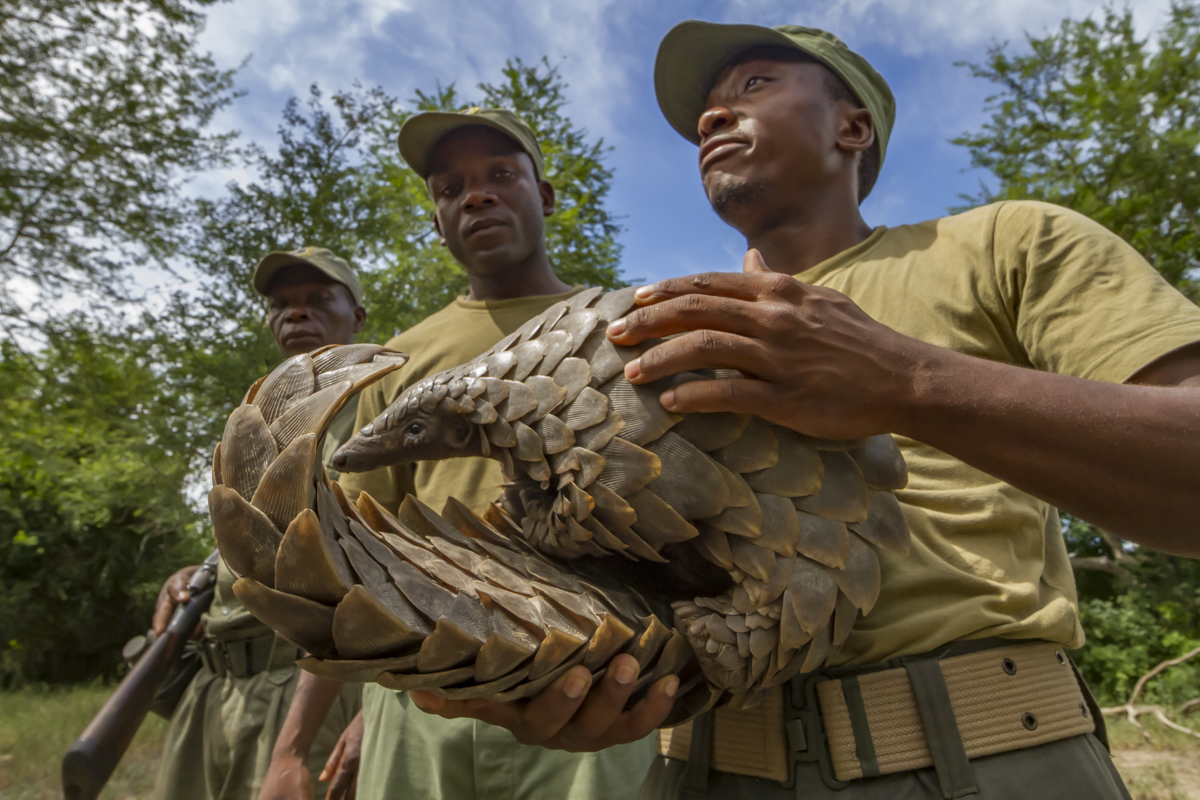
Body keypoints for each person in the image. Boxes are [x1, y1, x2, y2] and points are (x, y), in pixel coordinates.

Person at [407, 22, 1200, 800]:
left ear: (852, 127)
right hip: (697, 767)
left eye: (754, 85)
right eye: (704, 112)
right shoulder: (653, 330)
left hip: (977, 757)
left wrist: (904, 379)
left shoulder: (1002, 244)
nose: (711, 117)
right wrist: (598, 675)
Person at [323, 107, 657, 799]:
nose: (475, 196)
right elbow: (354, 545)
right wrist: (354, 704)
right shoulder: (395, 361)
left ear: (545, 195)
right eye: (450, 188)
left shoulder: (626, 329)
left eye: (501, 175)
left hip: (594, 687)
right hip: (425, 694)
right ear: (437, 222)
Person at [151, 247, 367, 800]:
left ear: (357, 316)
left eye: (317, 298)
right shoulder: (257, 415)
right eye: (280, 303)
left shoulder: (376, 412)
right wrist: (195, 577)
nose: (296, 312)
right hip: (213, 692)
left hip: (306, 690)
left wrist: (374, 711)